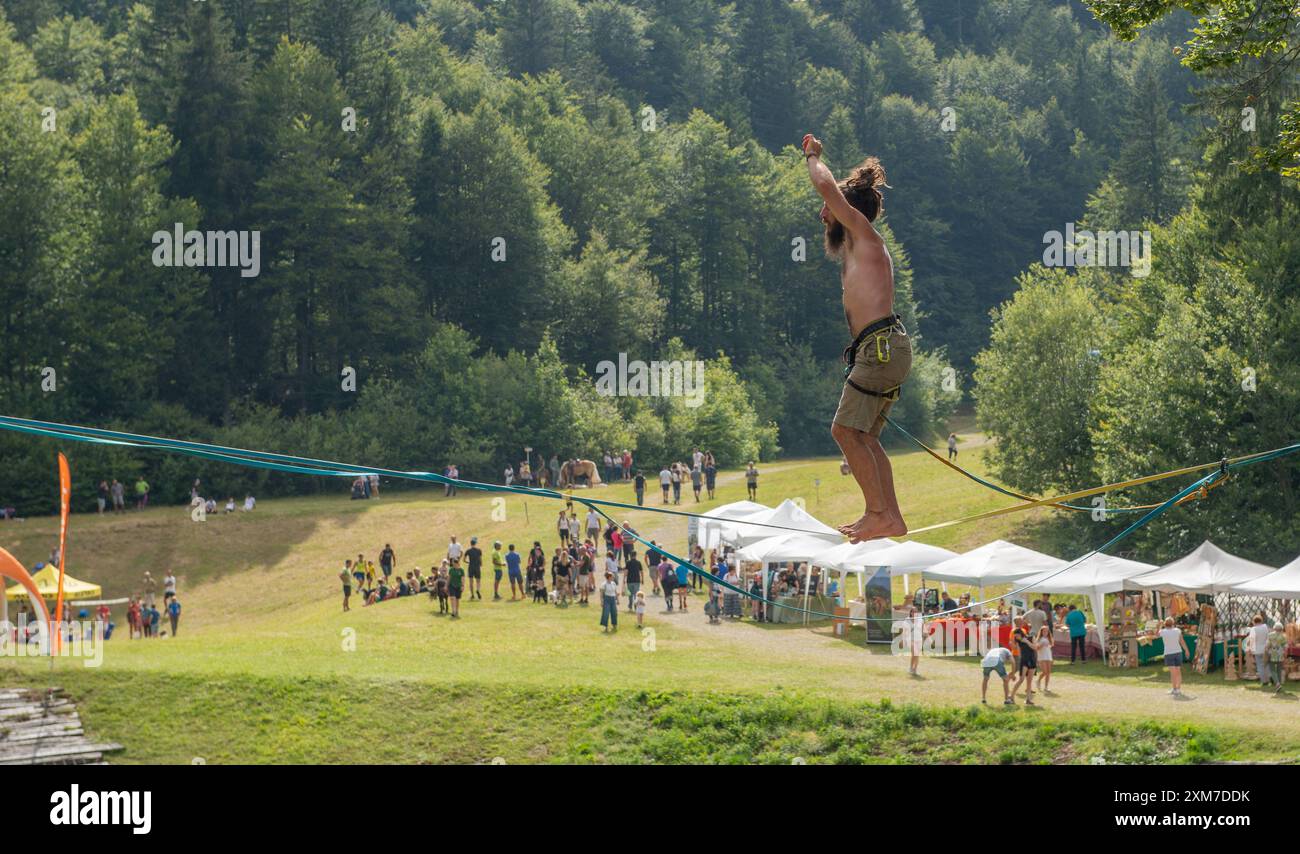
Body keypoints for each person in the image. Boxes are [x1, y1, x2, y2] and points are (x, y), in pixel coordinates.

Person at [804, 135, 911, 543]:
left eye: (827, 211)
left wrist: (813, 156)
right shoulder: (858, 247)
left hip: (881, 349)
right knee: (863, 436)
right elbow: (830, 198)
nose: (821, 216)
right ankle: (891, 517)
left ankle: (877, 513)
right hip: (882, 349)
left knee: (845, 432)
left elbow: (826, 188)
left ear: (843, 211)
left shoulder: (865, 235)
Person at [1158, 618, 1190, 695]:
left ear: (1165, 624)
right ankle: (1178, 689)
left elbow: (1156, 634)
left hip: (1169, 653)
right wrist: (1186, 650)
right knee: (1178, 672)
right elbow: (1182, 642)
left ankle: (1174, 688)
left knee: (1173, 673)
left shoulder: (1163, 631)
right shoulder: (1177, 630)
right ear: (1173, 623)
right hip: (1178, 652)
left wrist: (1160, 625)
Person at [1009, 622, 1037, 705]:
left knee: (1029, 681)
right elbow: (1018, 651)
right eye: (1015, 636)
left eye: (1016, 636)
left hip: (1032, 660)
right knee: (1021, 680)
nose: (1015, 637)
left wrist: (1027, 642)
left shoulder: (1031, 637)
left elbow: (1035, 648)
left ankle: (1028, 700)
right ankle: (1011, 696)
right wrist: (1012, 644)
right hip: (1024, 661)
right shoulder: (1018, 641)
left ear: (1020, 634)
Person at [1249, 614, 1271, 686]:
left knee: (1260, 665)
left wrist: (1250, 650)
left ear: (1254, 621)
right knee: (1267, 664)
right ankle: (1269, 678)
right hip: (1266, 649)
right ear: (1261, 620)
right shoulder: (1265, 627)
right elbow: (1269, 637)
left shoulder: (1253, 629)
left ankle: (1264, 681)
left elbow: (1252, 640)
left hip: (1257, 650)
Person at [1265, 622, 1287, 693]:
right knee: (1279, 670)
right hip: (1280, 654)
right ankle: (1279, 685)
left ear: (1274, 628)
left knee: (1272, 670)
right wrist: (1284, 653)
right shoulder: (1283, 636)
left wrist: (1266, 651)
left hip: (1272, 654)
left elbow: (1267, 645)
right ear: (1281, 629)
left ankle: (1277, 684)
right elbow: (1285, 646)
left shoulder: (1270, 635)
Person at [1034, 625, 1054, 694]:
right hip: (1042, 657)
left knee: (1048, 672)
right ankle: (1038, 681)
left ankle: (1046, 687)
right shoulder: (1039, 639)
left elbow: (1050, 646)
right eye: (1044, 631)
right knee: (1045, 672)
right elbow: (1037, 649)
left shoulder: (1049, 638)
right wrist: (1042, 644)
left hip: (1048, 656)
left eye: (1047, 631)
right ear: (1041, 632)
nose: (1045, 632)